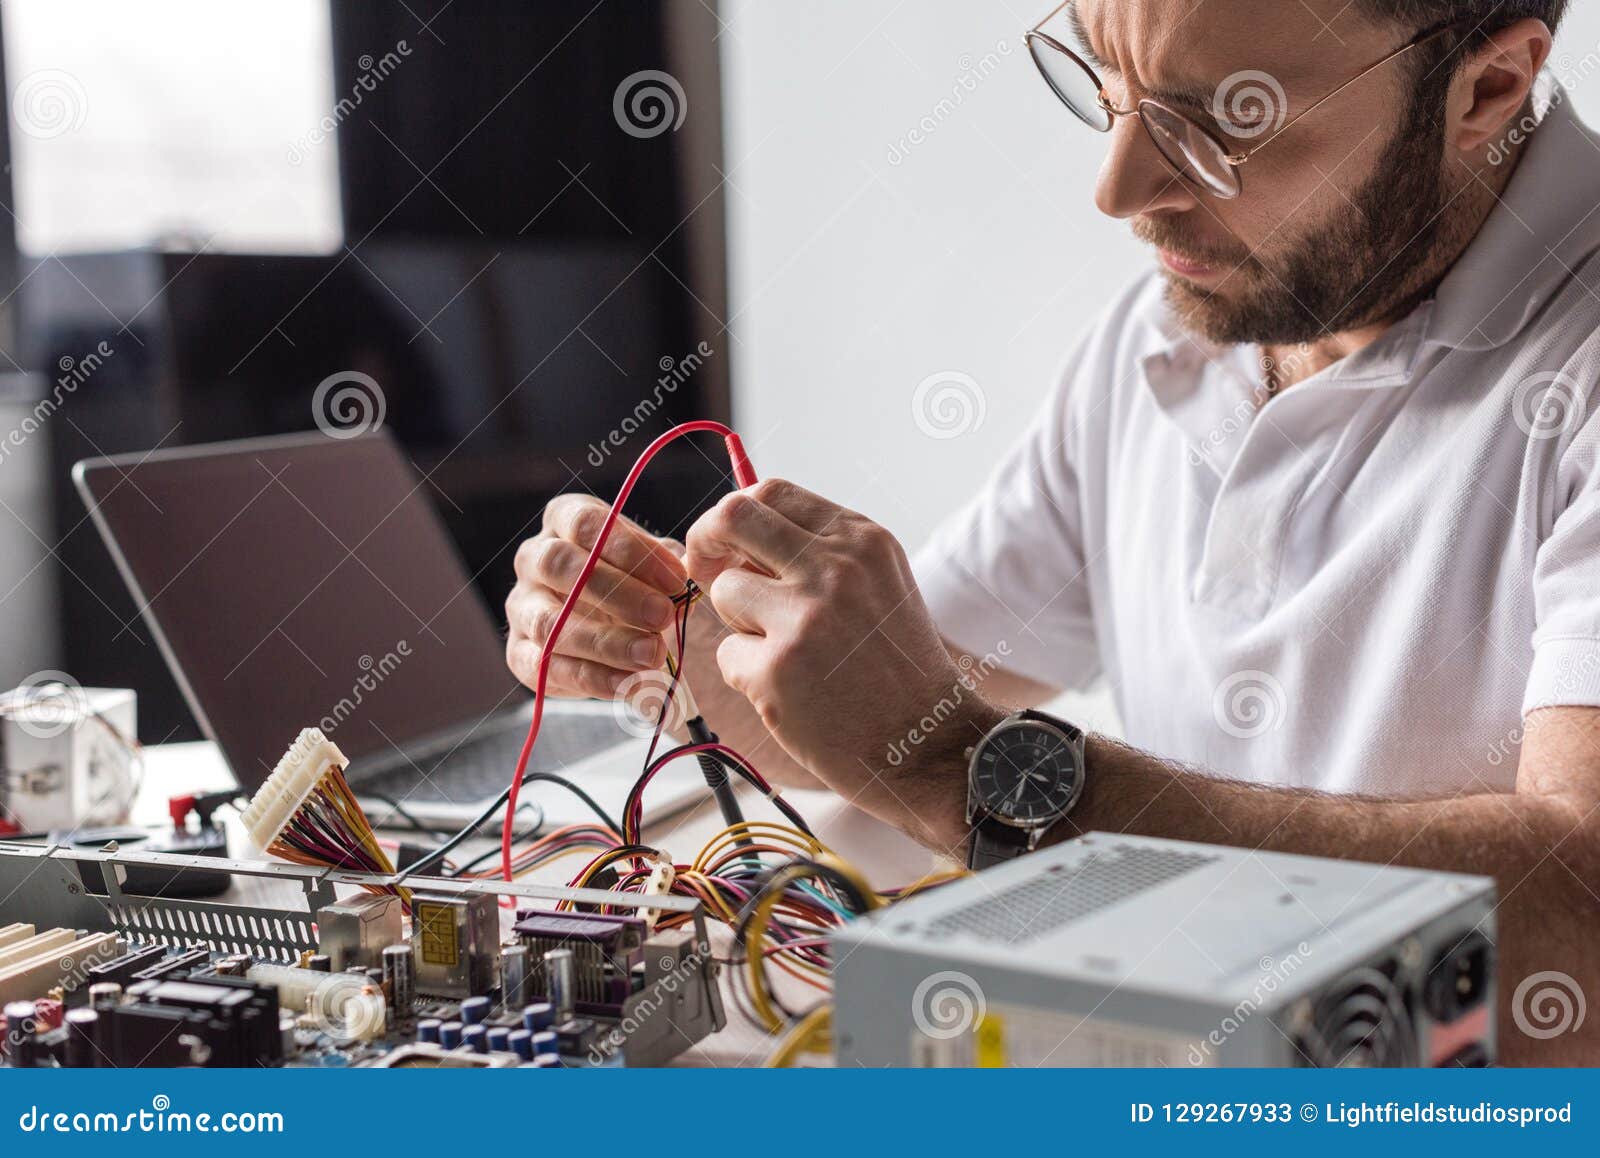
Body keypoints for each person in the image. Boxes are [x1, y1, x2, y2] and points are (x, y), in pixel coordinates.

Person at [507, 1, 1597, 1063]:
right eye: (1107, 87)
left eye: (1222, 118)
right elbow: (885, 711)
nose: (1118, 189)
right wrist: (682, 651)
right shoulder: (1166, 339)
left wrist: (963, 771)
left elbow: (1582, 925)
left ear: (1486, 88)